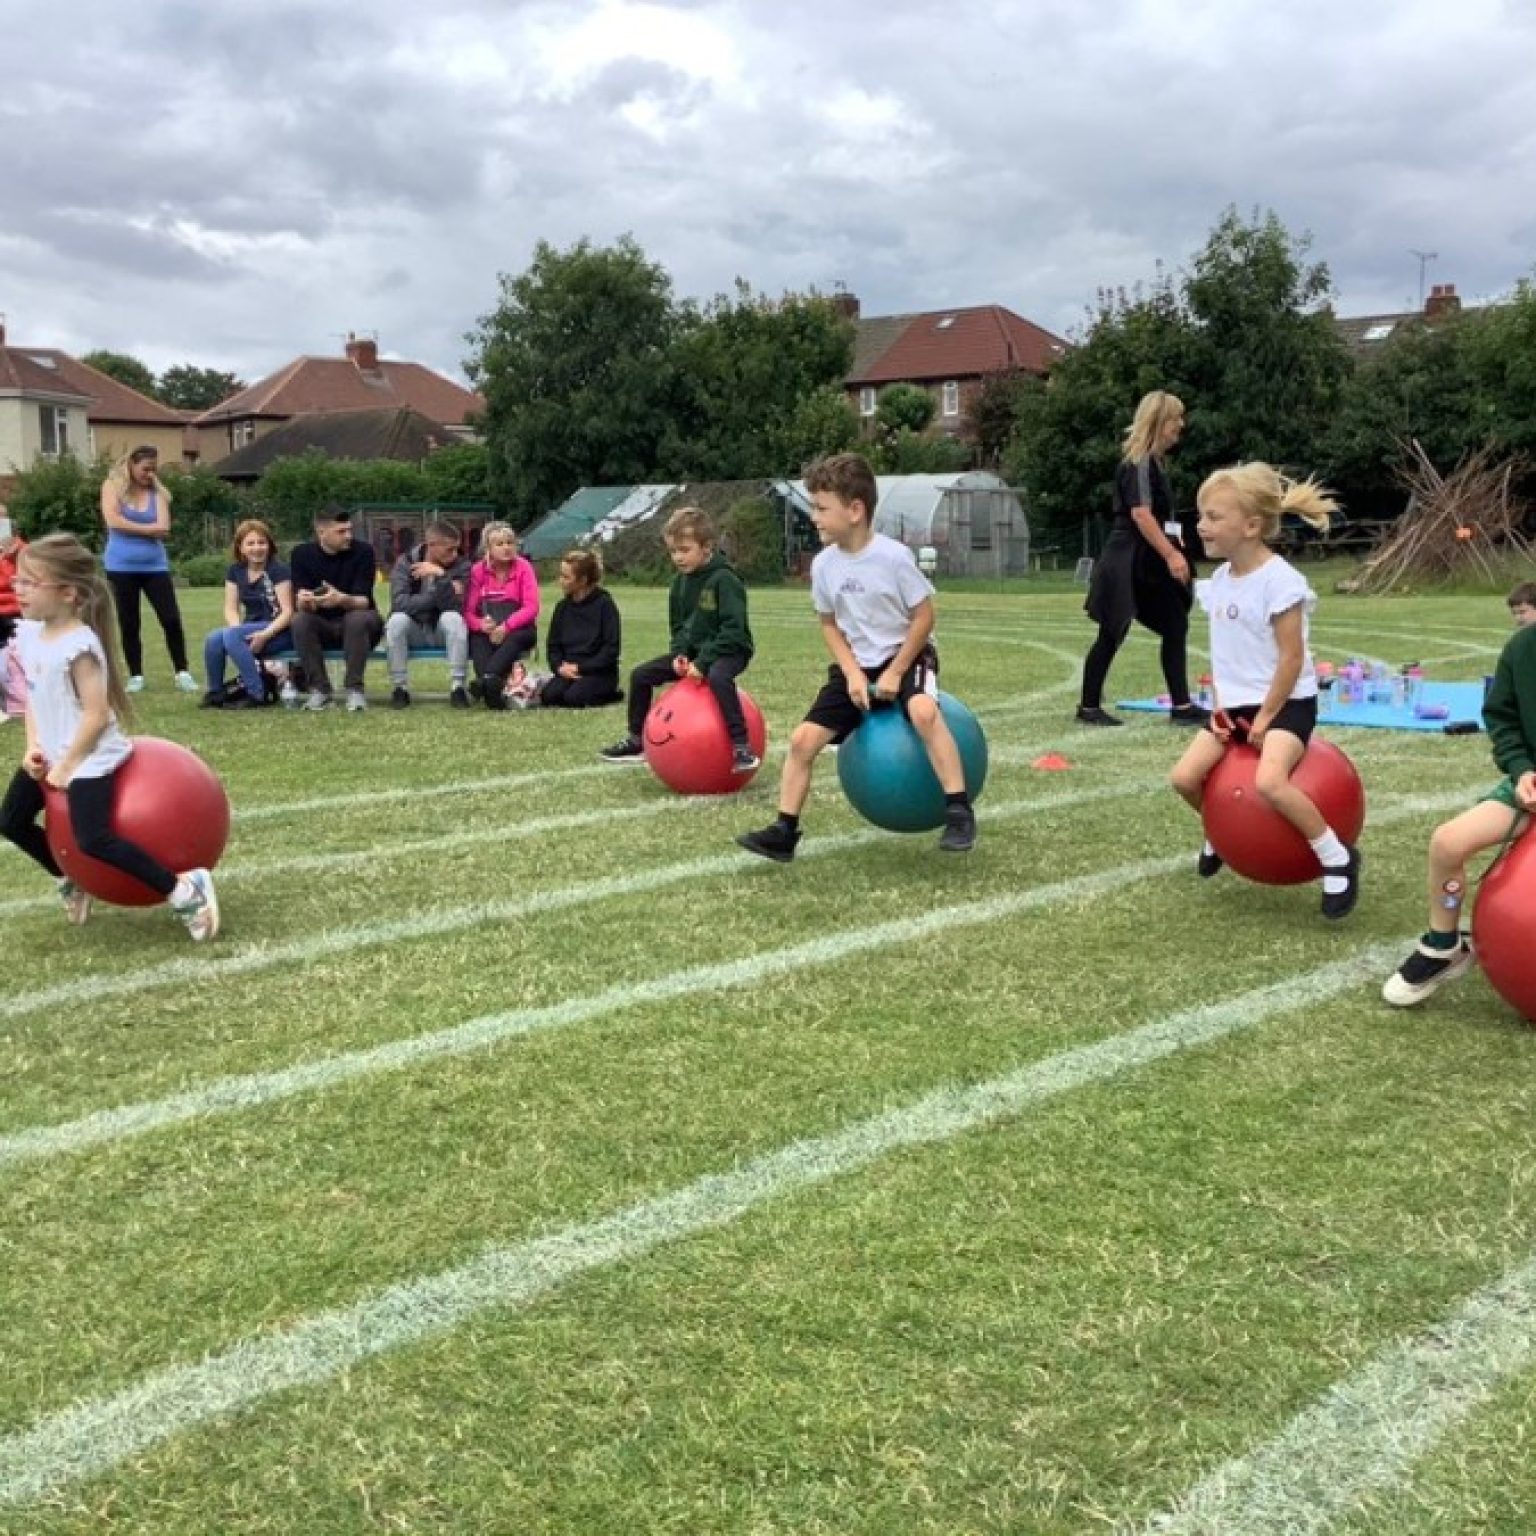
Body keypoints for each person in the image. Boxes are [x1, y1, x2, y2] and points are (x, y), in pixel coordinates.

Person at [737, 453, 976, 859]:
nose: (813, 516)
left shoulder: (894, 557)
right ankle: (784, 831)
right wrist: (851, 674)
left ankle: (958, 809)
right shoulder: (824, 565)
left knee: (922, 712)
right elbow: (829, 623)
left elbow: (924, 616)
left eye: (820, 508)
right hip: (857, 664)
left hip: (909, 656)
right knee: (801, 741)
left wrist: (897, 672)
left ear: (854, 510)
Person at [0, 533, 218, 939]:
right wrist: (33, 745)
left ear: (67, 593)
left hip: (89, 757)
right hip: (50, 755)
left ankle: (183, 889)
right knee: (11, 821)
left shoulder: (79, 646)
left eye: (30, 582)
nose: (18, 589)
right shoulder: (30, 636)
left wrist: (68, 765)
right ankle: (71, 877)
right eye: (18, 580)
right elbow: (32, 697)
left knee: (94, 838)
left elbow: (97, 715)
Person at [1169, 462, 1358, 918]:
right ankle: (1221, 831)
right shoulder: (1216, 582)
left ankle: (1338, 858)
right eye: (1201, 516)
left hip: (1287, 702)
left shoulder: (1281, 581)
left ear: (1251, 526)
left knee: (1270, 782)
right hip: (1235, 707)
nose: (1202, 526)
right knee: (1183, 778)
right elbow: (1225, 658)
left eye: (1214, 517)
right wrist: (1219, 709)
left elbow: (1291, 659)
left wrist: (1269, 717)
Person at [1383, 619, 1536, 1006]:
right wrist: (1522, 771)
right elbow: (1503, 718)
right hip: (1529, 786)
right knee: (1448, 844)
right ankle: (1444, 944)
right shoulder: (1522, 648)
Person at [1078, 390, 1207, 727]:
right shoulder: (1139, 463)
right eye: (1176, 418)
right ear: (1159, 421)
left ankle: (1177, 706)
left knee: (1168, 625)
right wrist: (1171, 555)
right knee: (1118, 629)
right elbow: (1141, 515)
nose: (1181, 424)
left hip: (1141, 557)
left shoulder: (1152, 462)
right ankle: (1094, 707)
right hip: (1133, 559)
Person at [599, 506, 756, 769]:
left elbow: (734, 630)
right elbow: (679, 627)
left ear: (706, 547)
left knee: (718, 676)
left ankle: (741, 746)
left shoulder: (725, 580)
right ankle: (637, 740)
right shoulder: (678, 584)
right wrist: (680, 654)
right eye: (673, 551)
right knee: (640, 675)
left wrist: (703, 663)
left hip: (730, 651)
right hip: (695, 654)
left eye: (685, 550)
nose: (678, 558)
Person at [99, 446, 197, 694]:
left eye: (153, 469)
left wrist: (136, 527)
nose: (149, 474)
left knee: (171, 618)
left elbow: (163, 527)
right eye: (145, 469)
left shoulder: (158, 492)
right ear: (131, 465)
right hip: (120, 566)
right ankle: (136, 675)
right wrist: (148, 530)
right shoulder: (111, 486)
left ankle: (182, 671)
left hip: (155, 565)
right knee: (129, 621)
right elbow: (112, 521)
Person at [288, 506, 383, 712]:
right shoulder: (301, 554)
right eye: (341, 531)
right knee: (300, 620)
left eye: (349, 530)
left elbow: (363, 600)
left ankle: (354, 691)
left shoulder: (363, 552)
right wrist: (305, 601)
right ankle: (320, 690)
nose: (348, 536)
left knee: (356, 618)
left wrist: (341, 599)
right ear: (321, 532)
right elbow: (300, 602)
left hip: (362, 627)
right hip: (323, 624)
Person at [201, 519, 293, 709]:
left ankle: (256, 693)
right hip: (251, 626)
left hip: (279, 630)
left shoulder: (278, 571)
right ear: (241, 548)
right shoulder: (235, 571)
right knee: (214, 638)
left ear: (269, 545)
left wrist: (265, 634)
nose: (257, 548)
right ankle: (216, 693)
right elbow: (230, 608)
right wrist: (236, 630)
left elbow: (288, 612)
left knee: (232, 635)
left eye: (262, 542)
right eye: (250, 543)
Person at [384, 520, 471, 709]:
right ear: (431, 545)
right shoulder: (405, 562)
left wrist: (441, 575)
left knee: (453, 618)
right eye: (449, 549)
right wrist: (444, 589)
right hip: (414, 630)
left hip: (442, 630)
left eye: (456, 549)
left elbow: (455, 606)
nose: (455, 554)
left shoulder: (462, 565)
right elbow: (400, 604)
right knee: (396, 621)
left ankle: (458, 688)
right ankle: (400, 688)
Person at [464, 522, 540, 710]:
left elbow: (532, 607)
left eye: (510, 543)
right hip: (488, 627)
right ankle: (492, 690)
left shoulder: (524, 567)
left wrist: (506, 627)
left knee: (515, 638)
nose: (506, 547)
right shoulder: (477, 571)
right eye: (499, 544)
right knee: (478, 639)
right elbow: (468, 612)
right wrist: (480, 625)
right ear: (487, 548)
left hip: (520, 628)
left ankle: (485, 680)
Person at [540, 548, 623, 709]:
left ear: (583, 580)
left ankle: (610, 693)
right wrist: (559, 667)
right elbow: (553, 645)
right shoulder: (562, 608)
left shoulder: (605, 605)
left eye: (566, 577)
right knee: (549, 696)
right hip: (568, 669)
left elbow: (611, 650)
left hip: (598, 672)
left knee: (574, 698)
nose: (560, 581)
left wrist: (582, 668)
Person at [0, 507, 24, 724]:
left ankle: (18, 700)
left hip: (17, 611)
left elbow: (24, 580)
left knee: (17, 655)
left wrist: (15, 557)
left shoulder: (22, 551)